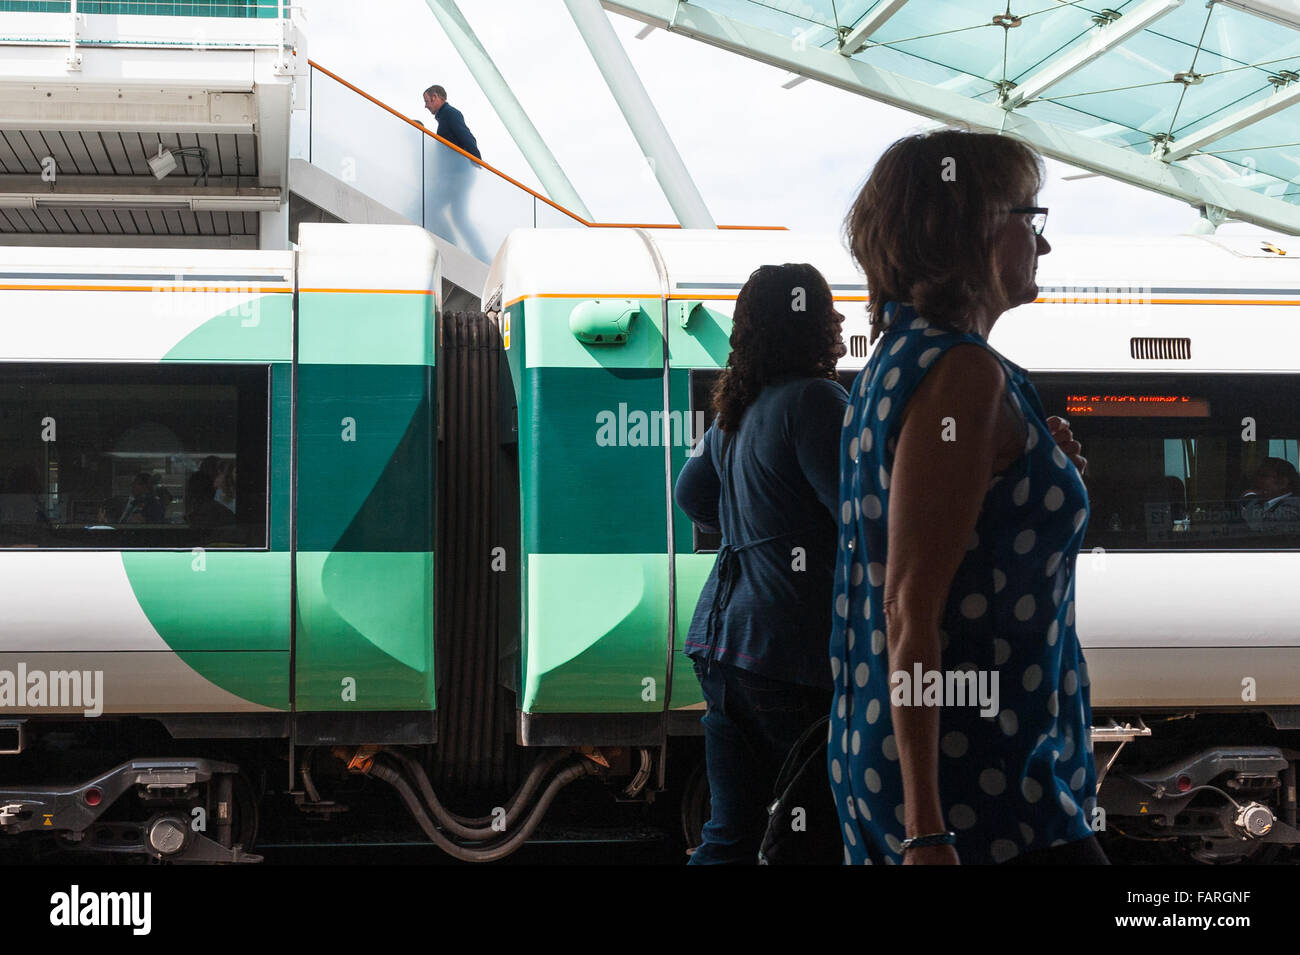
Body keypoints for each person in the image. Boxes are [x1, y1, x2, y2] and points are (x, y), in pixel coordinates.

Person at [829, 129, 1106, 865]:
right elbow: (908, 604)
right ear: (970, 228)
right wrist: (927, 829)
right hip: (980, 777)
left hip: (954, 761)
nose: (1041, 246)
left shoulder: (901, 359)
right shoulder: (962, 372)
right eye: (1030, 219)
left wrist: (1035, 466)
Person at [674, 263, 848, 864]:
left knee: (732, 832)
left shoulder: (734, 415)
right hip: (791, 653)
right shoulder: (816, 401)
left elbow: (690, 496)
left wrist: (754, 527)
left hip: (723, 648)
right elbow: (864, 519)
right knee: (818, 836)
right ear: (817, 325)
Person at [422, 84, 489, 261]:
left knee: (430, 207)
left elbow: (466, 136)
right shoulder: (445, 117)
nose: (426, 106)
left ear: (436, 97)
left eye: (427, 101)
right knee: (458, 217)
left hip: (456, 176)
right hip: (456, 175)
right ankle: (479, 256)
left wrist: (476, 159)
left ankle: (452, 247)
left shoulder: (451, 114)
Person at [1240, 457, 1300, 531]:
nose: (1257, 479)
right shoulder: (1262, 502)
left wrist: (1249, 499)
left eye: (1264, 476)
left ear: (1283, 482)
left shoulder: (1295, 505)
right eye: (1257, 475)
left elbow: (1266, 525)